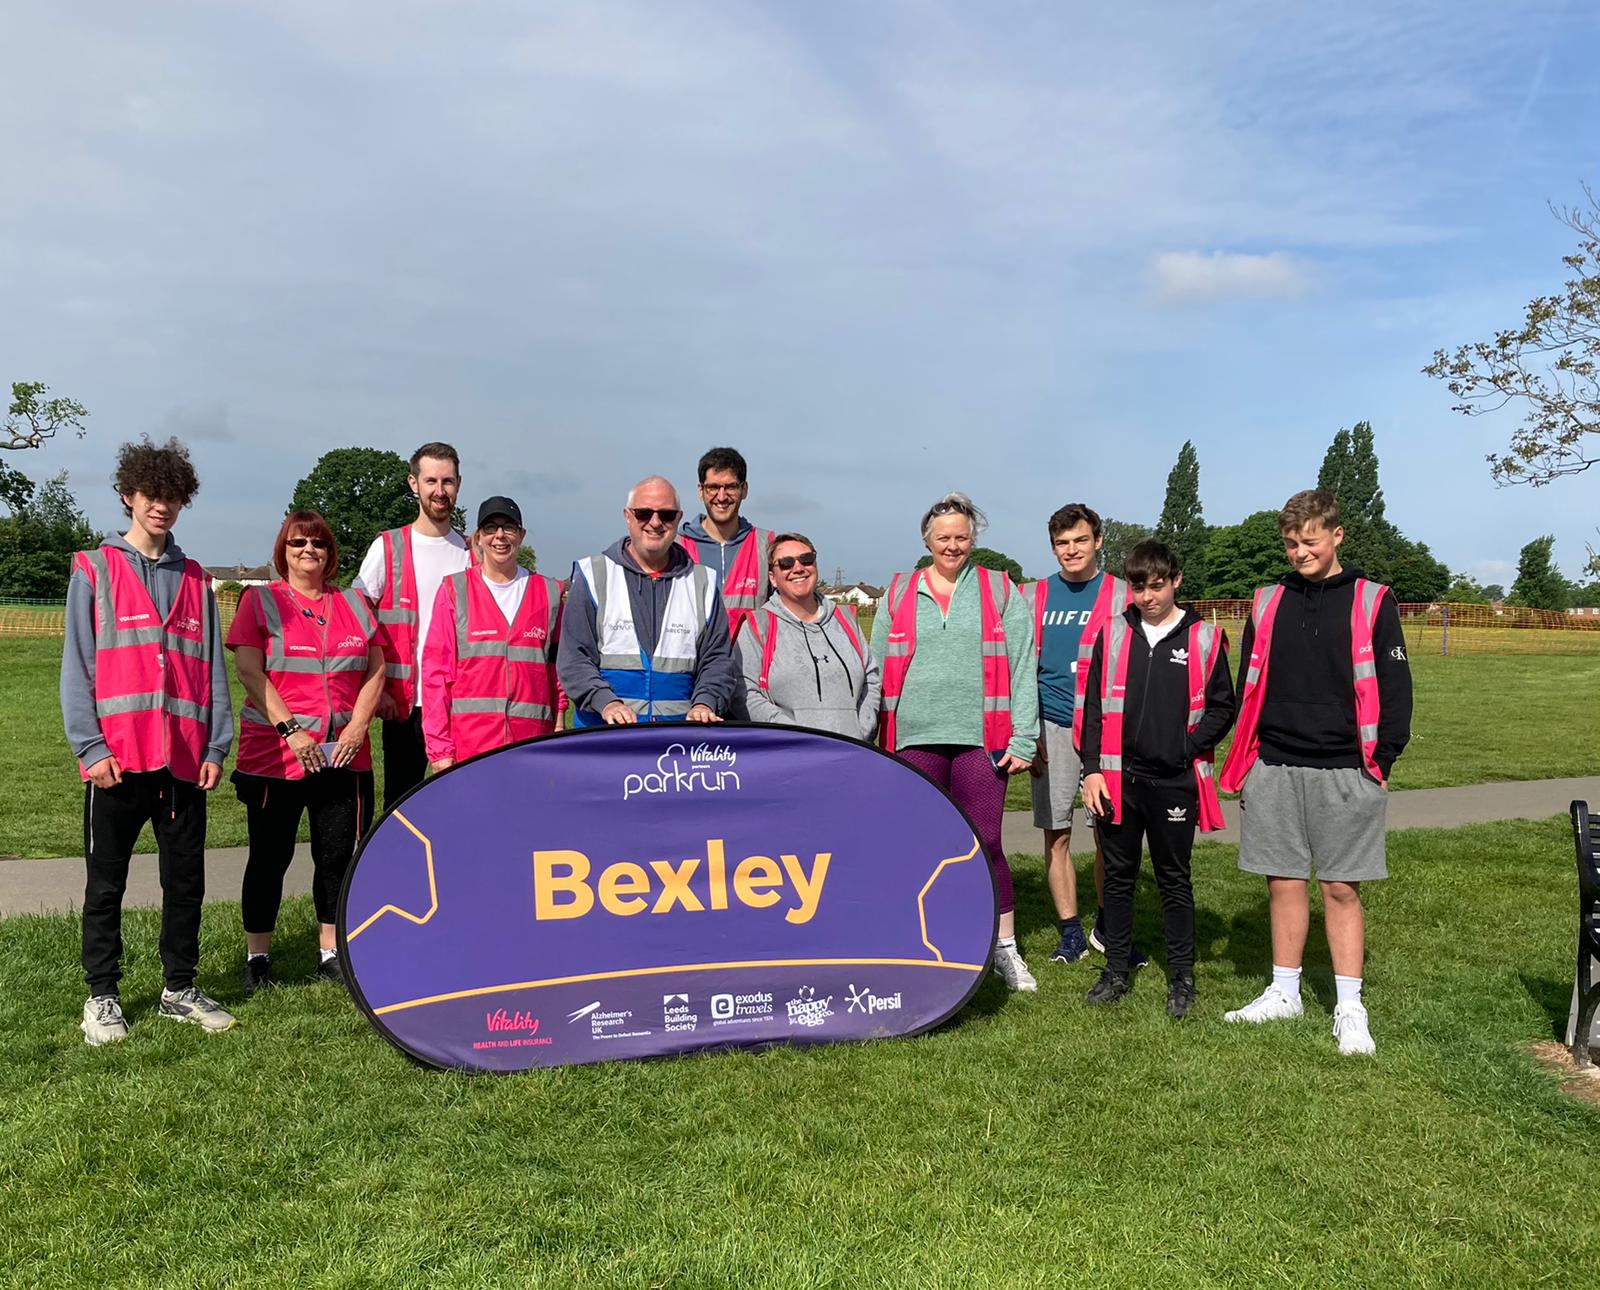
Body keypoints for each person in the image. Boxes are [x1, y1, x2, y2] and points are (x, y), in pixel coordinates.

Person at [1219, 489, 1412, 1056]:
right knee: (1281, 881)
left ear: (1336, 536)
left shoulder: (1373, 599)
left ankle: (1350, 1007)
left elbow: (1396, 688)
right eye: (1290, 543)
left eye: (1309, 541)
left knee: (1340, 887)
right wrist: (1249, 760)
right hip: (1274, 762)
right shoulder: (1266, 600)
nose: (1299, 552)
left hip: (1347, 767)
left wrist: (1382, 761)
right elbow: (1249, 684)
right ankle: (1285, 992)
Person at [60, 436, 236, 1044]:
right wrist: (90, 748)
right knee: (105, 883)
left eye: (172, 497)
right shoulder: (94, 569)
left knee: (185, 880)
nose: (161, 506)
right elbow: (77, 668)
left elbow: (211, 669)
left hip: (185, 761)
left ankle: (179, 988)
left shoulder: (196, 579)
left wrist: (216, 747)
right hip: (116, 761)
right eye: (150, 495)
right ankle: (102, 996)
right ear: (129, 497)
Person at [872, 492, 1040, 991]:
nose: (952, 545)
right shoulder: (899, 591)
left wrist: (1024, 737)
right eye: (943, 537)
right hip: (913, 738)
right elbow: (875, 668)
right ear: (927, 540)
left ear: (974, 539)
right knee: (921, 844)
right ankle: (923, 940)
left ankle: (1004, 949)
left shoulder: (1001, 589)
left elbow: (1022, 664)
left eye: (961, 537)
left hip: (980, 739)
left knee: (986, 841)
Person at [1078, 539, 1236, 1018]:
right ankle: (1116, 971)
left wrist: (1183, 747)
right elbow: (1090, 711)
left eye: (1157, 586)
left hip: (1174, 781)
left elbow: (1223, 708)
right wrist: (1090, 772)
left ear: (1176, 581)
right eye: (1139, 587)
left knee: (1173, 878)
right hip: (1117, 779)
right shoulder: (1112, 633)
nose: (1148, 597)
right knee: (1120, 879)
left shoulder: (1203, 638)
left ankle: (1182, 977)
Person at [228, 511, 385, 991]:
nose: (308, 550)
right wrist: (291, 729)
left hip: (342, 756)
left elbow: (376, 669)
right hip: (277, 758)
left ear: (329, 551)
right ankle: (258, 957)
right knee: (269, 858)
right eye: (298, 542)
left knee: (338, 856)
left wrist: (359, 725)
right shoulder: (260, 602)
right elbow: (250, 671)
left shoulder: (356, 604)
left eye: (318, 542)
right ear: (284, 548)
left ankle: (331, 951)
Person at [1027, 502, 1137, 967]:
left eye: (1080, 540)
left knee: (1109, 833)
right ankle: (1070, 931)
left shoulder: (1121, 593)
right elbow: (1017, 665)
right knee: (1057, 833)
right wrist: (1025, 731)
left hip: (1104, 729)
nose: (1071, 550)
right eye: (1062, 543)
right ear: (1053, 548)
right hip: (1048, 725)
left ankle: (1109, 927)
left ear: (1098, 541)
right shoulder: (1033, 594)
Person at [557, 476, 737, 725]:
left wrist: (705, 702)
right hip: (602, 738)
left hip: (676, 744)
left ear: (678, 518)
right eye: (644, 513)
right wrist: (605, 702)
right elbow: (574, 659)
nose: (655, 523)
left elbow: (717, 660)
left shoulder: (703, 582)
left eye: (666, 515)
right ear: (627, 516)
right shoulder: (592, 575)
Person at [352, 442, 471, 809]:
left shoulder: (471, 553)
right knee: (400, 808)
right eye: (431, 480)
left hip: (457, 703)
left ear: (458, 485)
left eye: (447, 482)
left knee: (455, 803)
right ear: (413, 484)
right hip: (403, 707)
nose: (440, 491)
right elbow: (356, 623)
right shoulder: (387, 547)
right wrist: (377, 691)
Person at [423, 496, 564, 770]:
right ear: (478, 537)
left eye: (508, 527)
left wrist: (559, 722)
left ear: (521, 535)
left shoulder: (550, 593)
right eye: (490, 528)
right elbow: (436, 674)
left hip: (532, 745)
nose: (500, 536)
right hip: (471, 749)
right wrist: (439, 749)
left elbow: (557, 672)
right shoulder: (455, 591)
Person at [738, 532, 880, 740]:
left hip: (852, 751)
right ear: (772, 578)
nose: (798, 568)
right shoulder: (757, 626)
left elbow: (871, 678)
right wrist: (795, 737)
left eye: (806, 559)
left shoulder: (846, 619)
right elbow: (744, 692)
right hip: (790, 755)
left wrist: (862, 729)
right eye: (786, 563)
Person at [678, 446, 774, 645]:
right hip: (693, 672)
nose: (721, 497)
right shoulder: (677, 548)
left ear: (744, 489)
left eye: (730, 487)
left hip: (749, 673)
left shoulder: (765, 545)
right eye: (713, 487)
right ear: (700, 491)